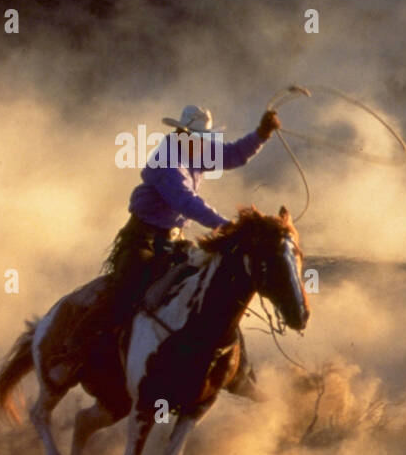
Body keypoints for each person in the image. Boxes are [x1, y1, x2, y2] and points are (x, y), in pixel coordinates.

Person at [65, 104, 281, 375]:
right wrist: (226, 226)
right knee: (126, 287)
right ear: (181, 134)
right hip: (141, 240)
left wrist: (261, 134)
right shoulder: (167, 160)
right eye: (197, 137)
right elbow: (185, 200)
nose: (202, 143)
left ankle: (230, 367)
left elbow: (233, 155)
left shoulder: (196, 150)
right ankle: (78, 346)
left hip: (173, 241)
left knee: (211, 287)